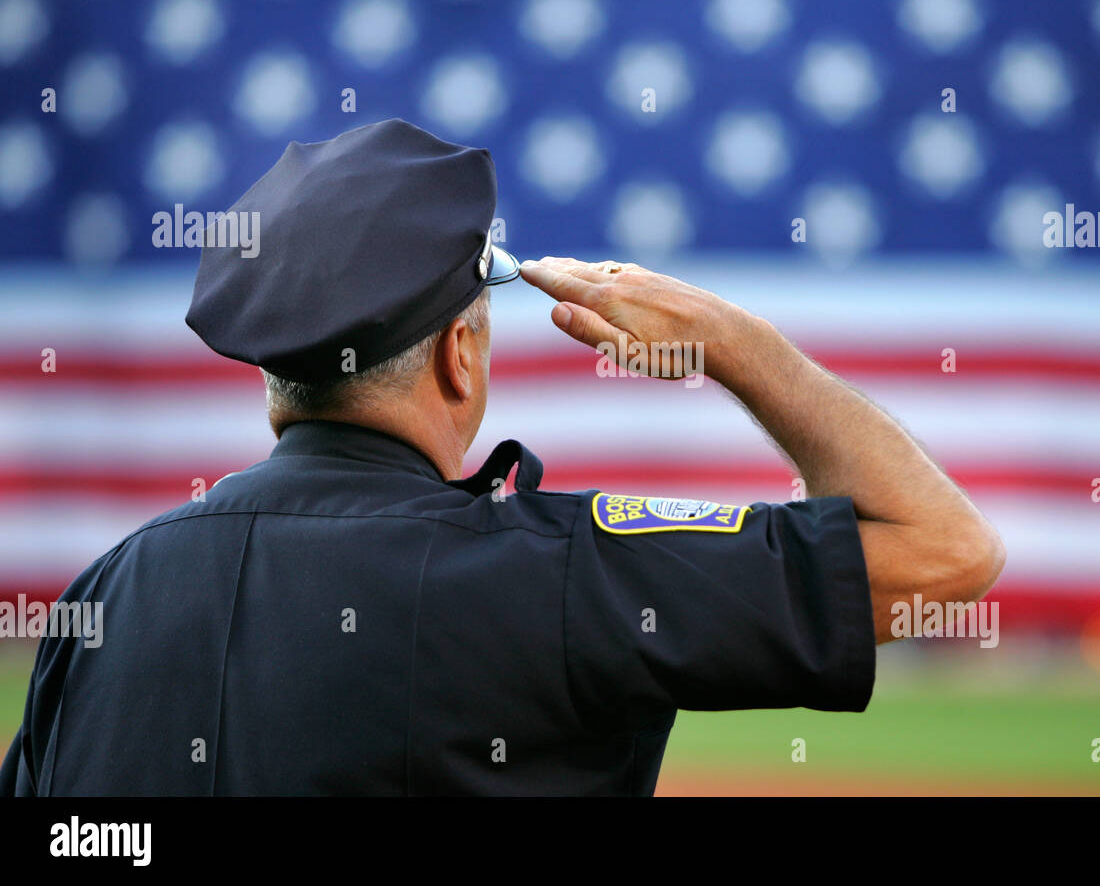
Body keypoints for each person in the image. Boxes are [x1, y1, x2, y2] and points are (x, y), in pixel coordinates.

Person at [0, 119, 1002, 795]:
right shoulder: (563, 571)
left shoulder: (106, 597)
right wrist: (736, 345)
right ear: (459, 351)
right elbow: (945, 551)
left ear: (270, 369)